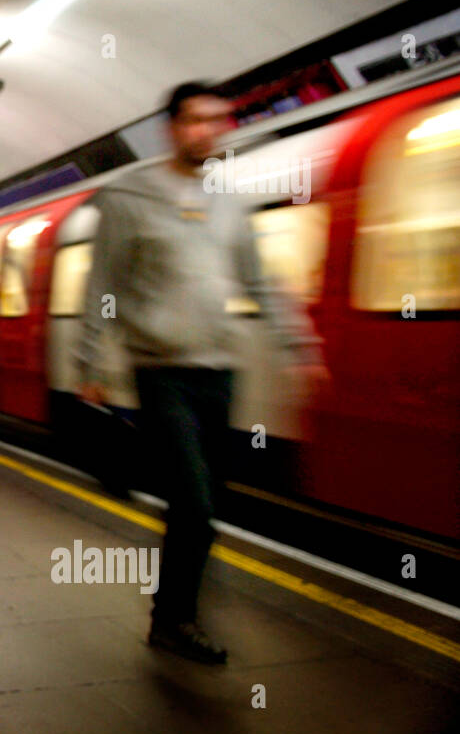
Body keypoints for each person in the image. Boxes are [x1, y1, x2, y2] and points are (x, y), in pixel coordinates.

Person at [75, 82, 328, 665]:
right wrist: (91, 362)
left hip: (221, 373)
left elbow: (260, 282)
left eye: (219, 120)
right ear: (173, 128)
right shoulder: (129, 195)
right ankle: (173, 621)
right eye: (195, 121)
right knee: (193, 504)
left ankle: (174, 606)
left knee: (206, 507)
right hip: (160, 373)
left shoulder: (228, 202)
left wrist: (300, 347)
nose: (209, 131)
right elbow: (103, 286)